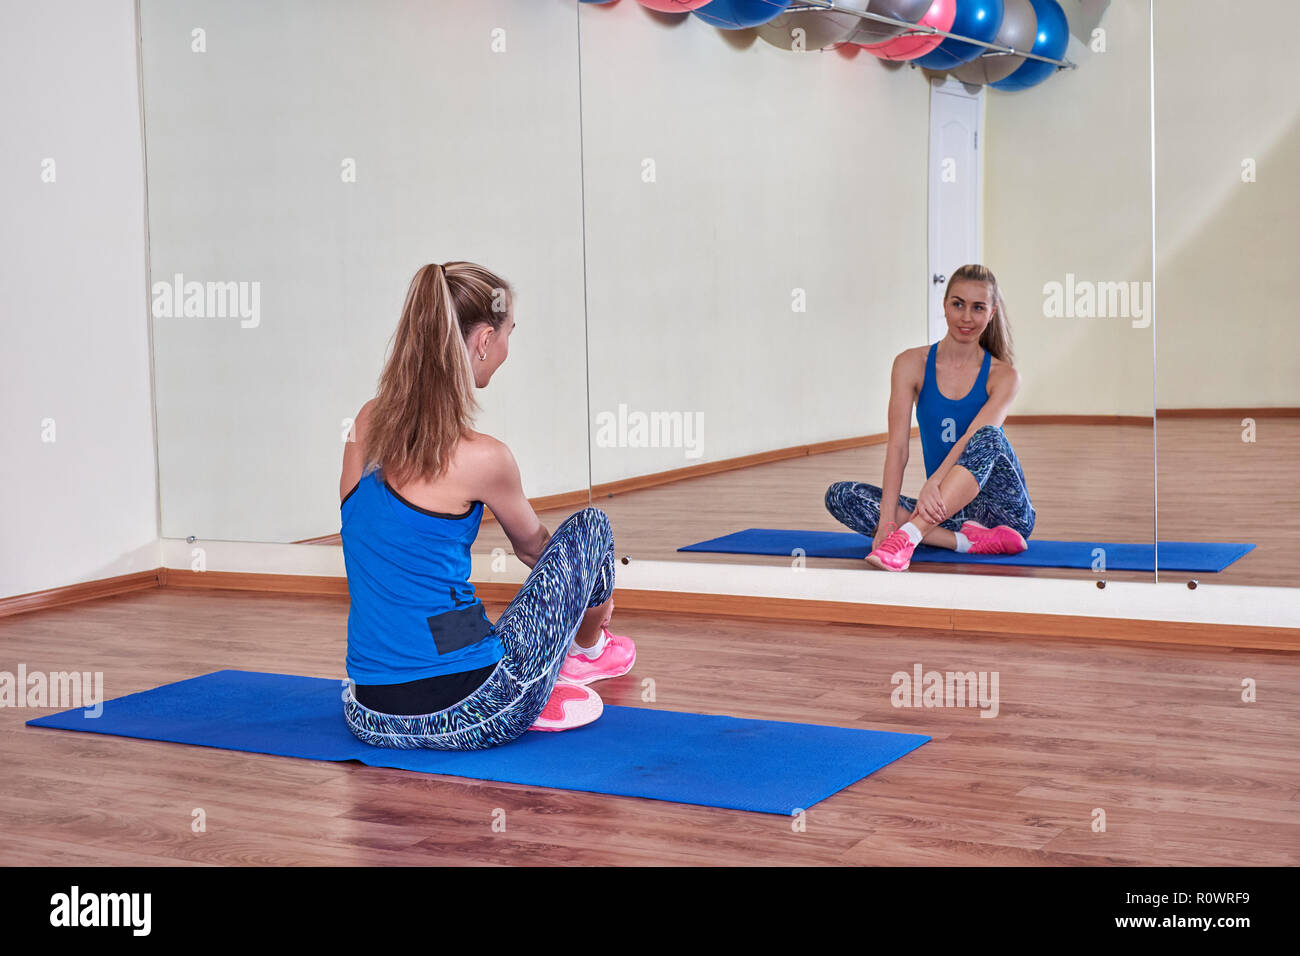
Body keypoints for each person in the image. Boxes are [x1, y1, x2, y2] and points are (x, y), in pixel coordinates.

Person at [338, 261, 635, 749]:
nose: (506, 349)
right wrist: (591, 601)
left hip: (368, 712)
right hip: (472, 711)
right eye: (508, 333)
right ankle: (590, 648)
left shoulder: (365, 423)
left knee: (462, 622)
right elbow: (539, 551)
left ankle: (543, 658)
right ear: (482, 340)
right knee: (590, 528)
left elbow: (379, 542)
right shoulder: (485, 458)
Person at [825, 264, 1036, 572]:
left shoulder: (1005, 376)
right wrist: (886, 521)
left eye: (978, 308)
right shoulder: (910, 364)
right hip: (943, 511)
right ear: (945, 305)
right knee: (842, 496)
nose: (966, 317)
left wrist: (934, 481)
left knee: (988, 435)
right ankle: (963, 542)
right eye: (958, 304)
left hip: (1005, 517)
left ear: (991, 313)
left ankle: (908, 538)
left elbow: (971, 437)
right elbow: (898, 447)